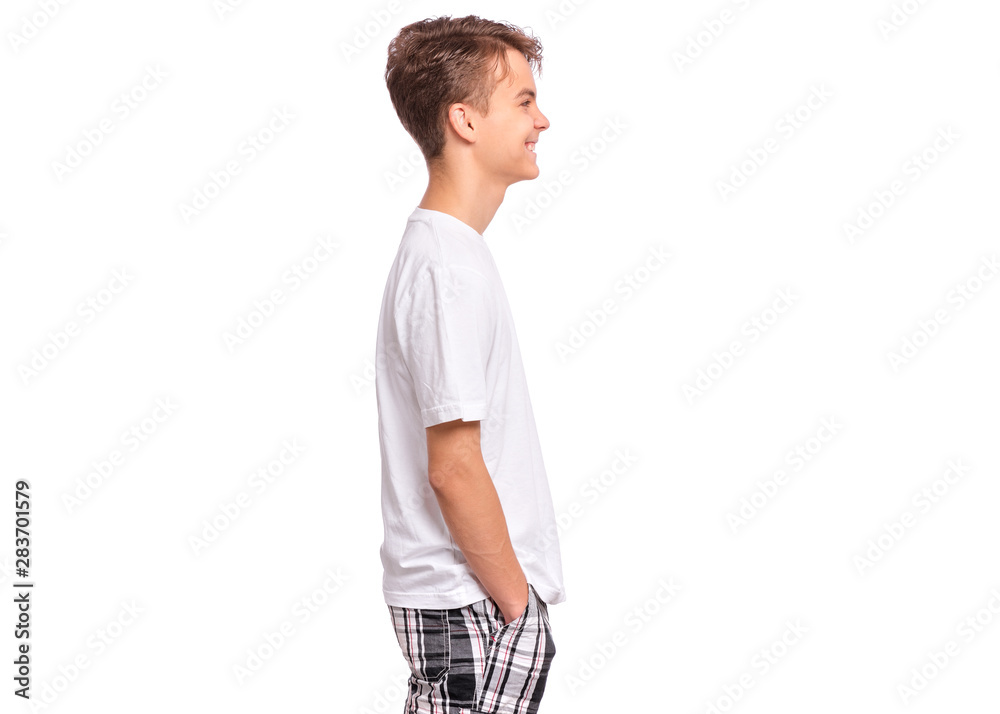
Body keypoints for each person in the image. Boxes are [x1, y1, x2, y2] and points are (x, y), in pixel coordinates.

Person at [375, 14, 566, 714]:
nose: (542, 120)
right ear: (465, 120)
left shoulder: (450, 255)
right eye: (524, 100)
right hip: (473, 605)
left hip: (471, 604)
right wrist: (519, 609)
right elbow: (453, 467)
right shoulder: (446, 269)